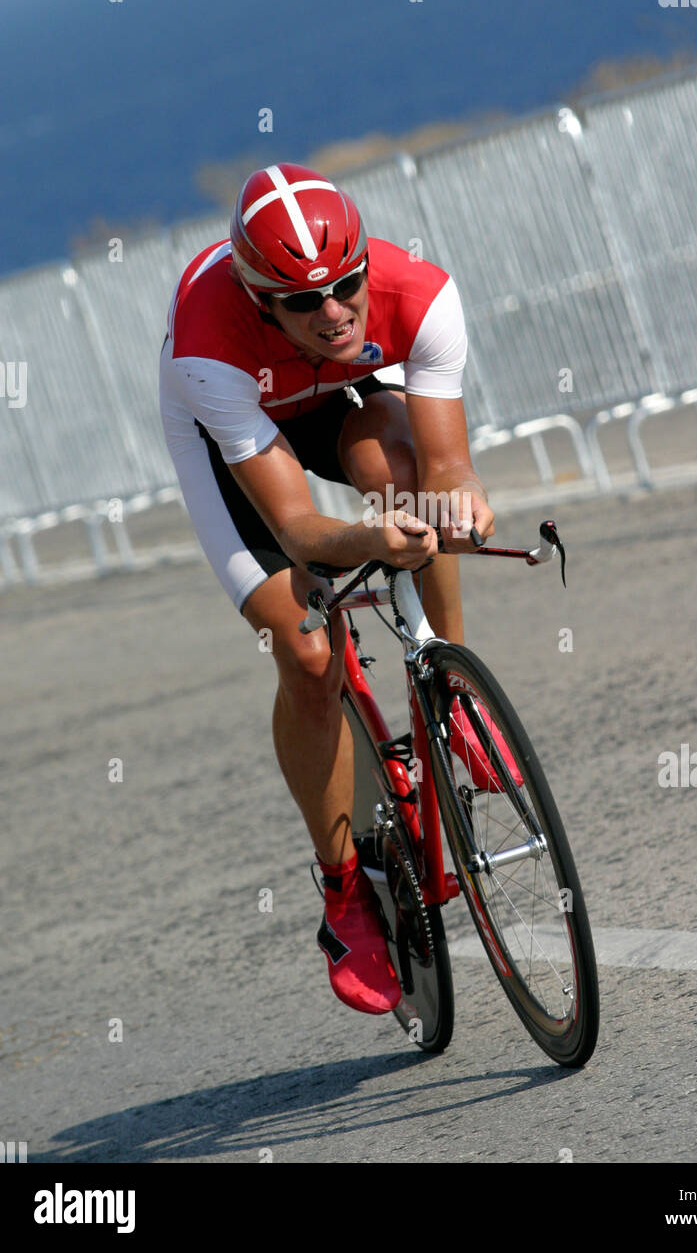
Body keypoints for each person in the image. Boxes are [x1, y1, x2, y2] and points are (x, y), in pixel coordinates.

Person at [159, 162, 495, 1016]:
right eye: (304, 302)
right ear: (260, 299)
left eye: (347, 286)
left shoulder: (420, 295)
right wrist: (360, 542)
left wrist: (449, 506)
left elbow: (449, 469)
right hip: (242, 432)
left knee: (410, 478)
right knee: (307, 652)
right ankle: (345, 891)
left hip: (335, 400)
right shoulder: (211, 347)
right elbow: (301, 533)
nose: (335, 312)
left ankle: (452, 686)